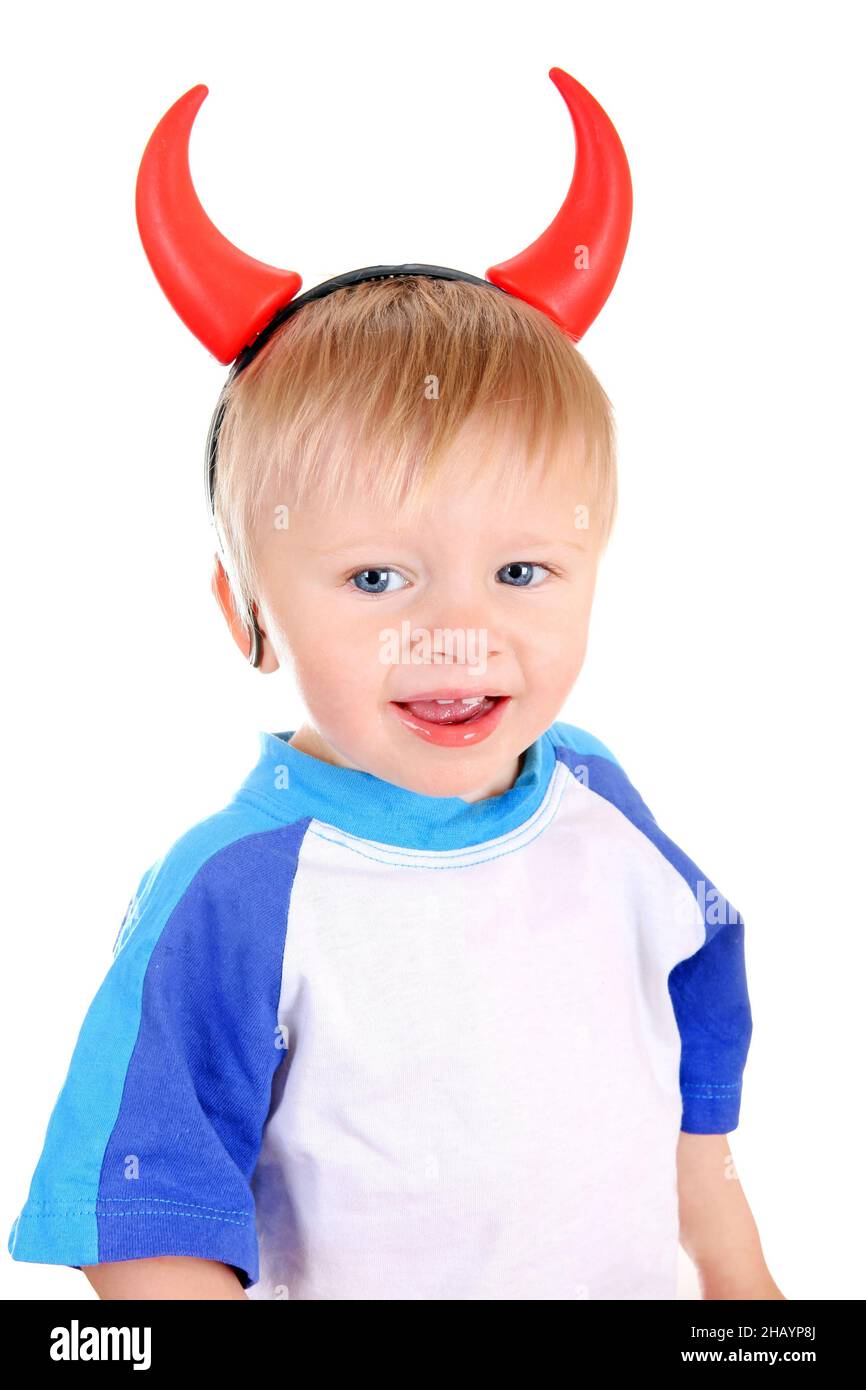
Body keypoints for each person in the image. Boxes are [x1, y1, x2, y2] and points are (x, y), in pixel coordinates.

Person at [7, 71, 783, 1300]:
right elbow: (148, 1216)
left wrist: (743, 1293)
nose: (456, 632)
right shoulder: (236, 889)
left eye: (521, 568)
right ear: (247, 613)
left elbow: (690, 1052)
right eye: (375, 577)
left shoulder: (599, 797)